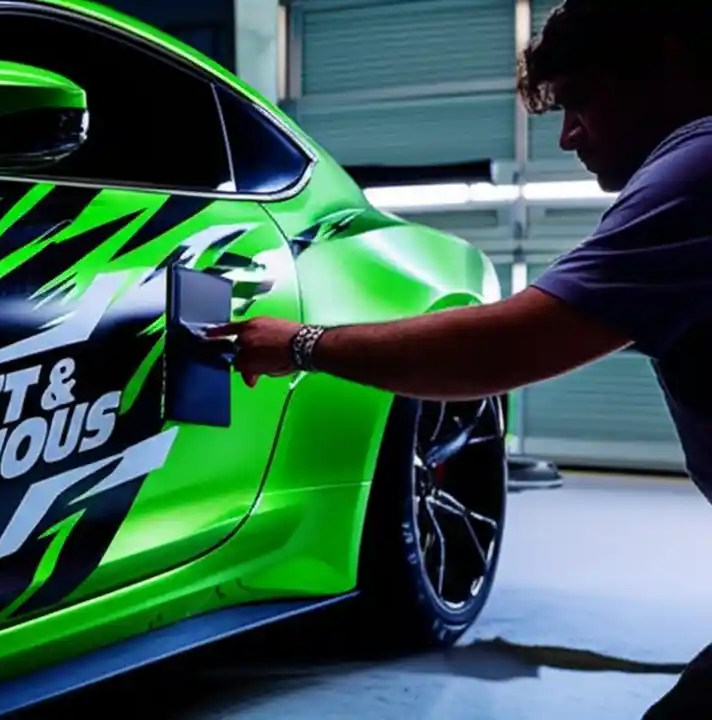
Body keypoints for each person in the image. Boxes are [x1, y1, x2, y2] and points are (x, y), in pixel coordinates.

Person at [208, 1, 712, 717]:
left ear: (670, 63)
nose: (569, 136)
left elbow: (507, 345)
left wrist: (302, 343)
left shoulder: (696, 169)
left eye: (581, 102)